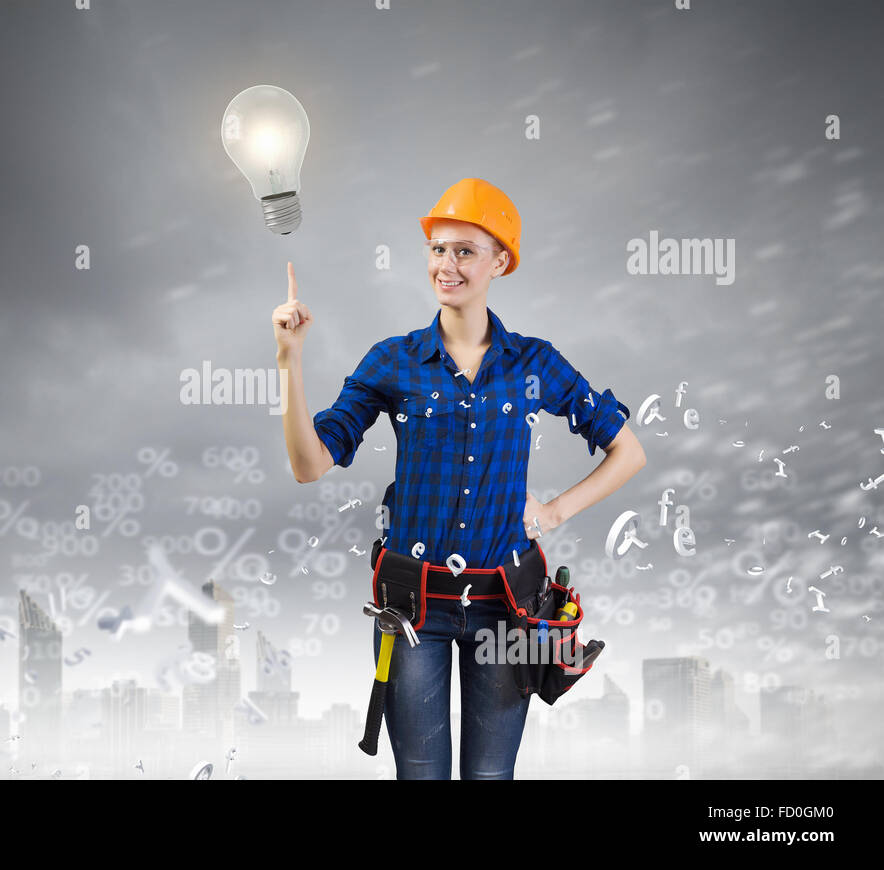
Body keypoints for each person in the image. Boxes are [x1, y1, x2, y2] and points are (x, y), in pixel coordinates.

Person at [271, 177, 646, 780]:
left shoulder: (534, 362)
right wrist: (289, 362)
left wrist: (552, 513)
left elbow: (628, 453)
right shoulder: (393, 360)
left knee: (490, 778)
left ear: (501, 261)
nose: (447, 265)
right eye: (438, 249)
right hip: (413, 609)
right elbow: (309, 465)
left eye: (465, 251)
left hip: (507, 608)